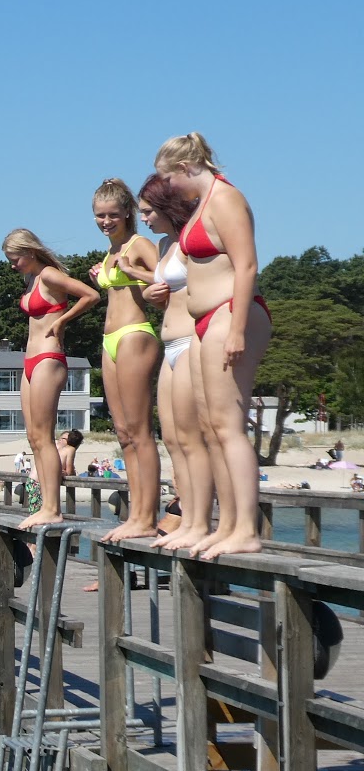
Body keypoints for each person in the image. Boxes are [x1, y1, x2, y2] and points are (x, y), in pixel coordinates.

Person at [158, 132, 271, 559]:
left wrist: (238, 326)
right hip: (206, 320)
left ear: (185, 168)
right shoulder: (203, 205)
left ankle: (246, 527)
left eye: (168, 179)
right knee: (210, 427)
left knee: (228, 425)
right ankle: (225, 526)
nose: (169, 189)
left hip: (230, 314)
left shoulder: (226, 197)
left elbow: (246, 263)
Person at [136, 173, 215, 552]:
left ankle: (199, 520)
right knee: (170, 438)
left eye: (149, 211)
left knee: (189, 437)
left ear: (168, 207)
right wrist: (153, 295)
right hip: (168, 342)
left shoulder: (191, 240)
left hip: (191, 340)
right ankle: (187, 516)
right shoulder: (165, 243)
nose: (145, 219)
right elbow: (171, 293)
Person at [3, 227, 99, 528]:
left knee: (44, 436)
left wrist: (62, 321)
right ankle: (46, 503)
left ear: (30, 252)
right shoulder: (31, 279)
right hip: (30, 359)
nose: (12, 265)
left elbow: (91, 294)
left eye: (15, 258)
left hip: (48, 357)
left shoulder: (48, 275)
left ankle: (52, 507)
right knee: (34, 436)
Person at [88, 177, 162, 542]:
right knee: (123, 433)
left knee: (139, 430)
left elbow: (168, 280)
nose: (105, 221)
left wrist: (132, 271)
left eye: (112, 215)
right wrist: (103, 275)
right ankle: (136, 514)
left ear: (127, 212)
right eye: (99, 216)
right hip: (109, 339)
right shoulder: (109, 251)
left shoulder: (139, 243)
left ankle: (147, 516)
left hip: (135, 335)